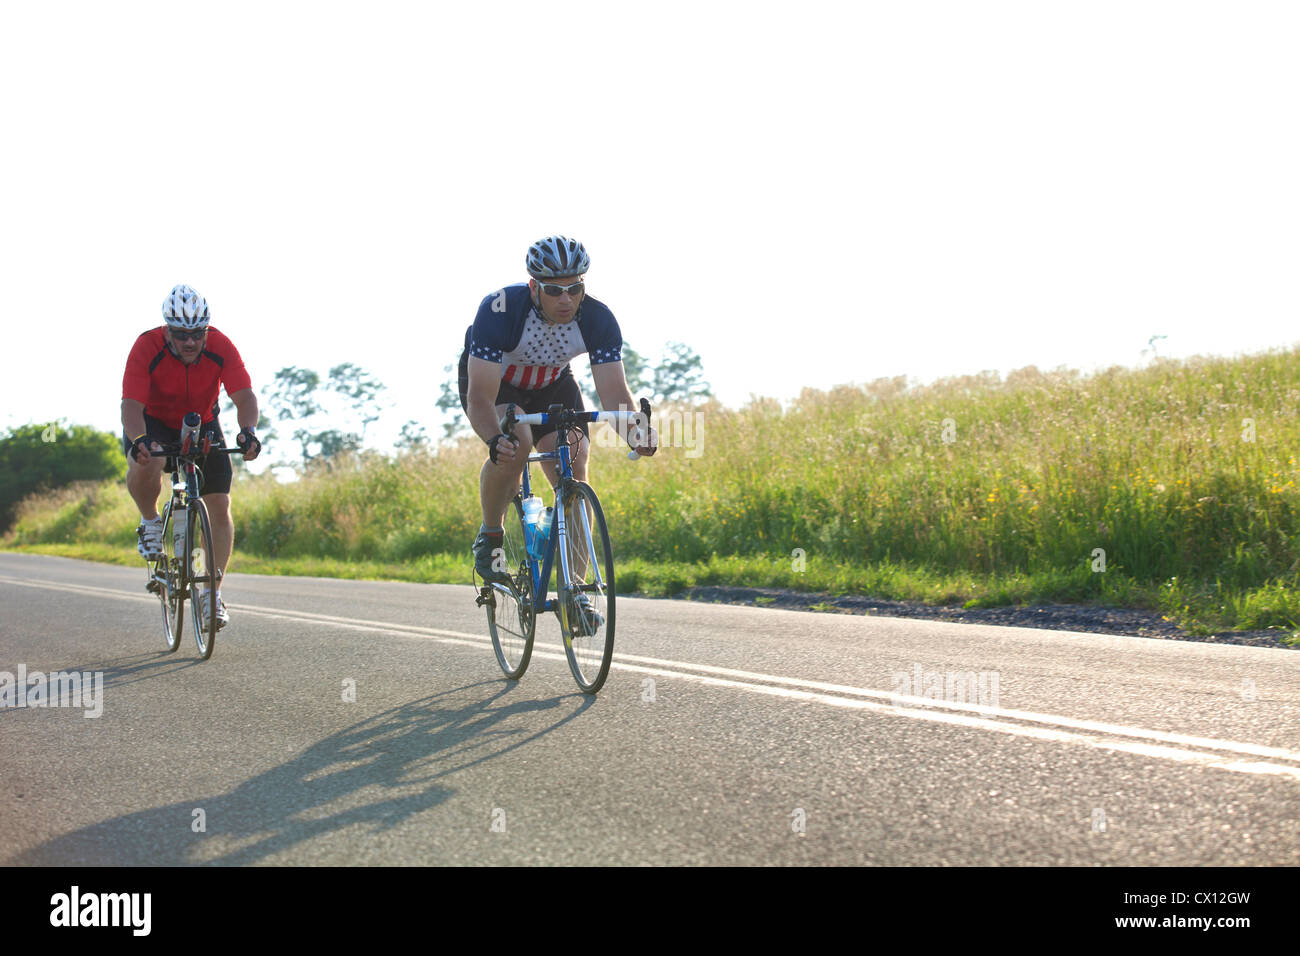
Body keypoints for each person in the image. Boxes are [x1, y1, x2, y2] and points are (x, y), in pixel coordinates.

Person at [459, 236, 657, 597]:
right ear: (534, 287)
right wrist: (494, 440)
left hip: (552, 383)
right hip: (499, 386)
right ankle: (491, 536)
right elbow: (478, 398)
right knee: (514, 443)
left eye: (574, 288)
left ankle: (576, 592)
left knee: (576, 467)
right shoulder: (500, 310)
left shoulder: (598, 318)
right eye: (553, 291)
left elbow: (614, 395)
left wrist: (636, 434)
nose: (565, 300)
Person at [121, 285, 262, 630]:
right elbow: (131, 406)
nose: (190, 342)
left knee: (219, 503)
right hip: (152, 420)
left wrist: (248, 432)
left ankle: (211, 595)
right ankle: (151, 522)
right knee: (149, 457)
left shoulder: (221, 346)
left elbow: (244, 396)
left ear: (205, 331)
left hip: (202, 420)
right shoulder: (146, 346)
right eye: (181, 334)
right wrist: (139, 439)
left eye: (196, 334)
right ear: (167, 330)